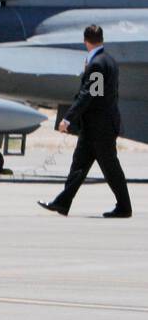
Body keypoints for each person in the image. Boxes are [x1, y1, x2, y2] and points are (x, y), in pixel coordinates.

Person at [39, 24, 132, 218]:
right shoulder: (109, 61)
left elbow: (90, 95)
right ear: (101, 39)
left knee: (110, 168)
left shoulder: (97, 64)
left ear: (85, 41)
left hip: (99, 127)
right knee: (79, 166)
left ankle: (124, 207)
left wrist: (68, 118)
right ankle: (62, 203)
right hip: (96, 127)